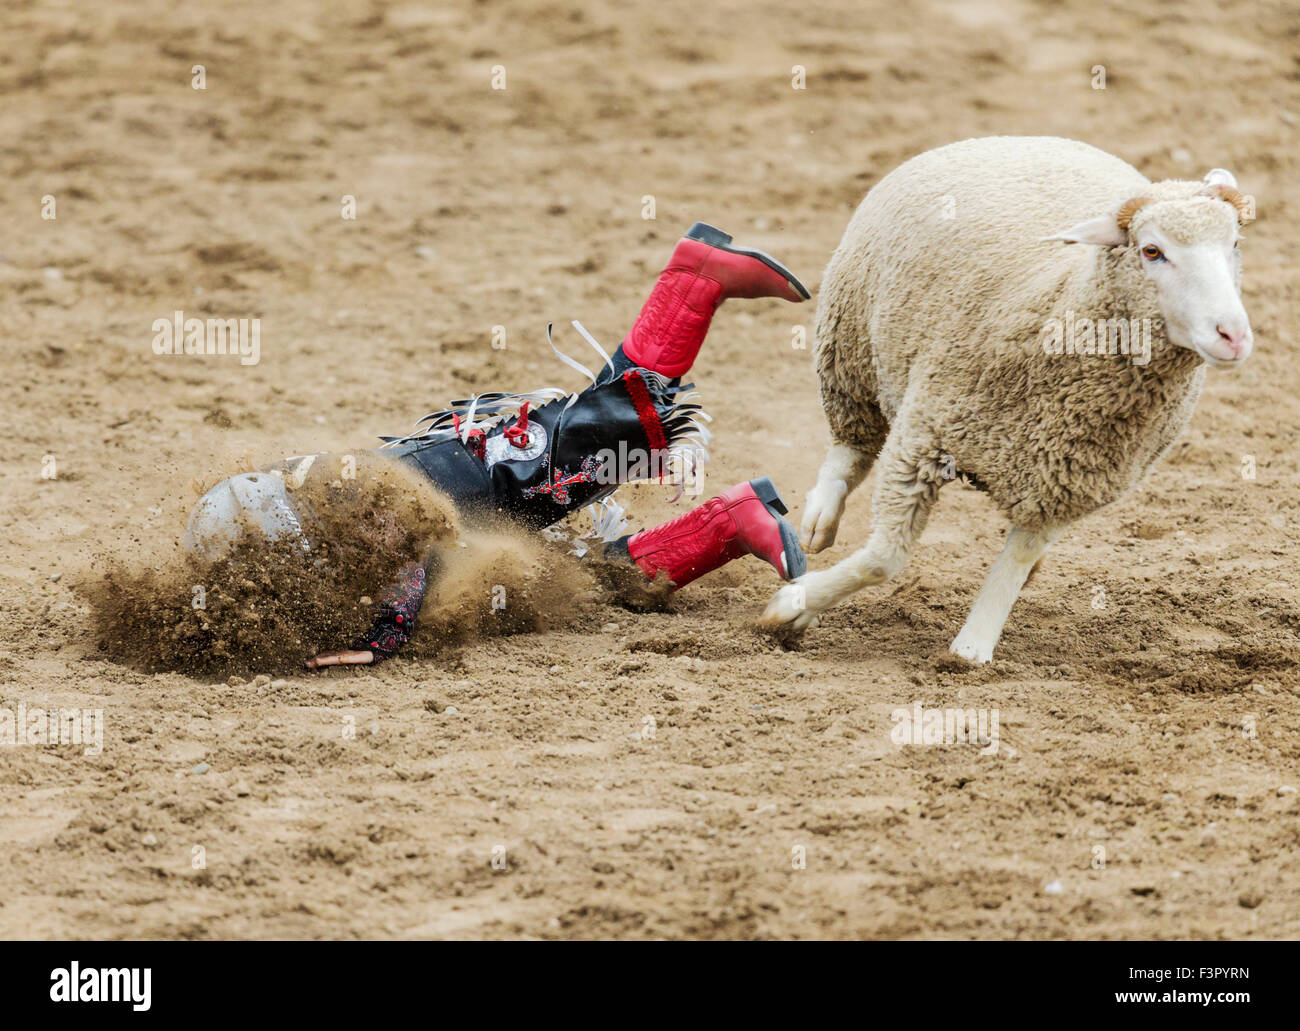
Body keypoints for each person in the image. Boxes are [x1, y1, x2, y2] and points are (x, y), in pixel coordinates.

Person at [183, 223, 811, 668]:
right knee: (597, 580)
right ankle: (735, 521)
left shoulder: (342, 507)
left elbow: (403, 550)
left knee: (620, 418)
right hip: (500, 493)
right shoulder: (306, 497)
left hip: (502, 466)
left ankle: (694, 277)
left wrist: (388, 634)